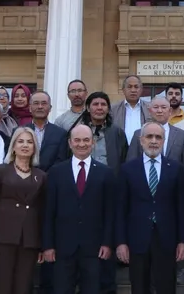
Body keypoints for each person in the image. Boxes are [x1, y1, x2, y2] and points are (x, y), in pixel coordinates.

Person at [116, 122, 184, 294]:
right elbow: (121, 209)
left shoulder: (175, 169)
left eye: (158, 137)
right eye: (149, 137)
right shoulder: (127, 169)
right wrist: (121, 242)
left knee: (166, 287)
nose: (154, 141)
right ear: (141, 140)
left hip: (167, 239)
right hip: (137, 240)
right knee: (139, 287)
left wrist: (183, 241)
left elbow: (181, 207)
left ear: (164, 141)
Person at [42, 124, 115, 294]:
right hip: (62, 247)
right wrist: (48, 245)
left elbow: (110, 213)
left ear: (93, 142)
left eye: (86, 140)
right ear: (69, 143)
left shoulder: (106, 173)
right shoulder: (56, 172)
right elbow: (48, 212)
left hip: (94, 248)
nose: (81, 144)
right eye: (77, 140)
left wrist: (107, 242)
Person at [0, 128, 47, 294]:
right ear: (13, 146)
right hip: (3, 238)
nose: (25, 145)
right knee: (1, 287)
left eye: (29, 141)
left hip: (29, 241)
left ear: (35, 147)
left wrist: (41, 244)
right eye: (20, 141)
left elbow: (42, 211)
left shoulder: (41, 176)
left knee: (23, 287)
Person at [126, 96, 184, 179]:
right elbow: (130, 164)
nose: (159, 111)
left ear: (170, 111)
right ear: (149, 111)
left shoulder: (182, 135)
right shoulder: (138, 134)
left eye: (163, 107)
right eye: (156, 107)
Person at [80, 92, 128, 171]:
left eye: (103, 104)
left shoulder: (117, 132)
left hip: (110, 179)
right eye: (95, 104)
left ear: (108, 109)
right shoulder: (79, 131)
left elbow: (123, 159)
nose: (99, 108)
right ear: (88, 108)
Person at [29, 91, 71, 171]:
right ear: (30, 108)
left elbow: (61, 160)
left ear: (50, 108)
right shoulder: (20, 131)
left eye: (44, 103)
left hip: (51, 179)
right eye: (36, 103)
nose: (40, 106)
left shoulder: (60, 134)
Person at [112, 75, 153, 145]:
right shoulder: (113, 109)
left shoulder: (150, 108)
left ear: (141, 89)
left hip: (144, 149)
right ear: (123, 90)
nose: (133, 90)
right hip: (121, 150)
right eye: (129, 87)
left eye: (136, 87)